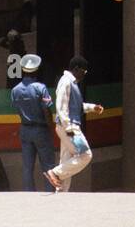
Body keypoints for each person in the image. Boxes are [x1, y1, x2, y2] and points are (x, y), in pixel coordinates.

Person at [45, 55, 103, 192]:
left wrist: (92, 107)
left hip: (65, 126)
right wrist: (68, 127)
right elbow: (61, 106)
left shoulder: (72, 83)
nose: (84, 74)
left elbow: (75, 106)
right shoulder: (66, 82)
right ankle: (55, 173)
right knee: (85, 155)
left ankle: (62, 192)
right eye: (84, 71)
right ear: (76, 69)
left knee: (67, 159)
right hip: (69, 126)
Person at [10, 53, 57, 191]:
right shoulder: (40, 88)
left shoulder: (15, 90)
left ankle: (28, 194)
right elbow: (47, 111)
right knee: (48, 164)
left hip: (25, 129)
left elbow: (17, 109)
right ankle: (50, 191)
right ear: (36, 70)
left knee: (27, 166)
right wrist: (51, 127)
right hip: (41, 129)